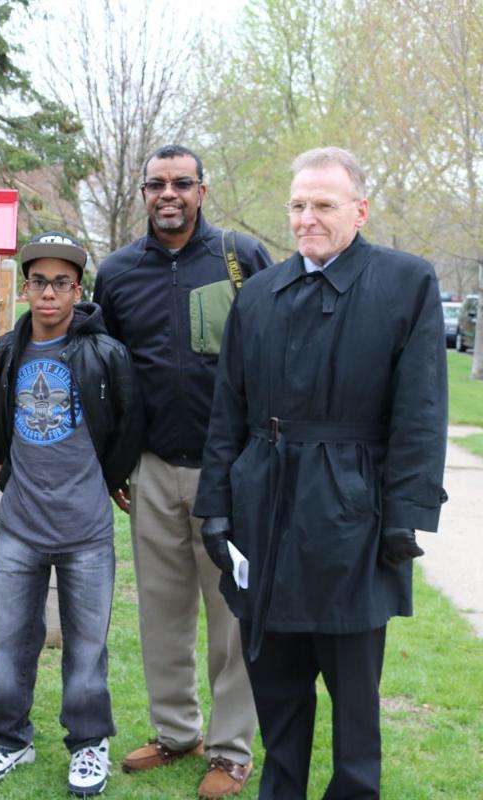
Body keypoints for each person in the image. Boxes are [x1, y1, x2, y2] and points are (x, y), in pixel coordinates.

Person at [194, 146, 448, 798]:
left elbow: (420, 411)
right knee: (277, 689)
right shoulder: (259, 297)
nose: (307, 217)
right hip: (265, 510)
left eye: (324, 205)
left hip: (353, 518)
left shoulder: (405, 283)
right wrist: (216, 507)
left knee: (354, 701)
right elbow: (229, 412)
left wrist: (406, 516)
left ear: (359, 210)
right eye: (298, 205)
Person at [92, 144, 273, 797]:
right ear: (143, 194)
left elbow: (272, 357)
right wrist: (115, 460)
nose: (168, 194)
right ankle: (176, 733)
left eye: (181, 183)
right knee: (162, 612)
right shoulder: (116, 273)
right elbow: (105, 374)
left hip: (232, 471)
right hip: (150, 468)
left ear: (202, 190)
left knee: (232, 616)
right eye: (156, 184)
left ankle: (230, 751)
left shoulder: (240, 259)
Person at [0, 233, 144, 796]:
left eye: (61, 282)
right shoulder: (7, 351)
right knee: (10, 641)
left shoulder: (106, 353)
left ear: (77, 289)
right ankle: (8, 739)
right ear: (25, 288)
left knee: (87, 645)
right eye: (39, 281)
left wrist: (105, 481)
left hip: (87, 531)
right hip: (21, 526)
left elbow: (128, 426)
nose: (49, 292)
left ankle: (89, 745)